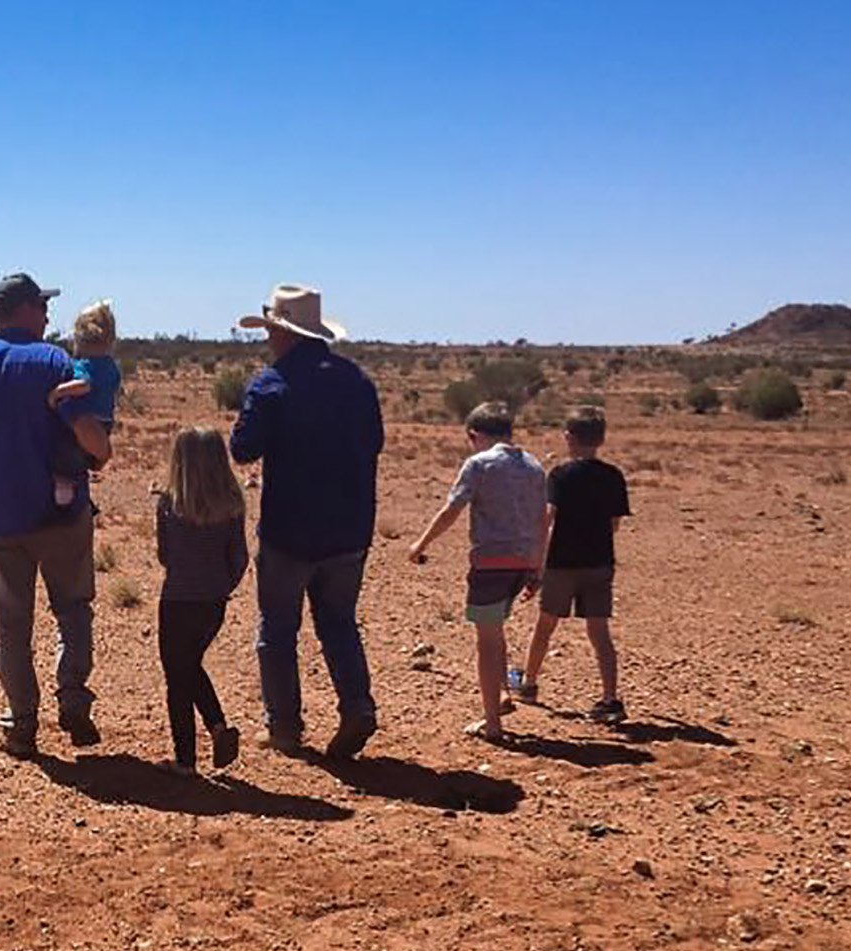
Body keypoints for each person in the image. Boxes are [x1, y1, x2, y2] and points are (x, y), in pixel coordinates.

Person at [0, 273, 114, 758]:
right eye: (40, 306)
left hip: (2, 518)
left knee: (12, 623)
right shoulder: (54, 362)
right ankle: (73, 697)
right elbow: (87, 432)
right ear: (22, 309)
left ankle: (21, 722)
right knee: (73, 609)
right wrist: (101, 452)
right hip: (62, 515)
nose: (46, 314)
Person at [228, 284, 385, 760]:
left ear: (282, 331)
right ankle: (356, 705)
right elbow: (374, 442)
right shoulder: (357, 380)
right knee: (338, 623)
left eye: (272, 330)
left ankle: (284, 727)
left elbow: (242, 449)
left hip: (289, 531)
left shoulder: (271, 384)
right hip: (350, 528)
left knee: (277, 628)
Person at [406, 401, 546, 742]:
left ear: (474, 434)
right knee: (495, 630)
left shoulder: (479, 464)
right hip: (523, 561)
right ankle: (501, 694)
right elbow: (542, 519)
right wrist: (537, 567)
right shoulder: (534, 465)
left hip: (490, 563)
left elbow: (452, 509)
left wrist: (420, 545)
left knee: (486, 640)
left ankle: (492, 724)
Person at [515, 405, 631, 723]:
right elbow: (614, 525)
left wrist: (536, 566)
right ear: (602, 439)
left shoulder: (561, 475)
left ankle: (529, 683)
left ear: (569, 437)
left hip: (562, 562)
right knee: (599, 632)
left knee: (545, 626)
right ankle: (610, 699)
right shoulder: (613, 476)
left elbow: (547, 522)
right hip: (599, 562)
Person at [153, 427, 250, 775]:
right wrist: (221, 586)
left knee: (178, 676)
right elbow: (239, 559)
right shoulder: (232, 504)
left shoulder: (169, 504)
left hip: (177, 599)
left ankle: (186, 760)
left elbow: (164, 554)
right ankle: (218, 729)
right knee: (189, 667)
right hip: (213, 604)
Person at [47, 300, 122, 515]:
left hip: (87, 421)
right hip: (105, 422)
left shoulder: (85, 365)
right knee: (87, 459)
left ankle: (64, 490)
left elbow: (84, 385)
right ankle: (82, 500)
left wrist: (58, 392)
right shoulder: (111, 366)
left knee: (65, 452)